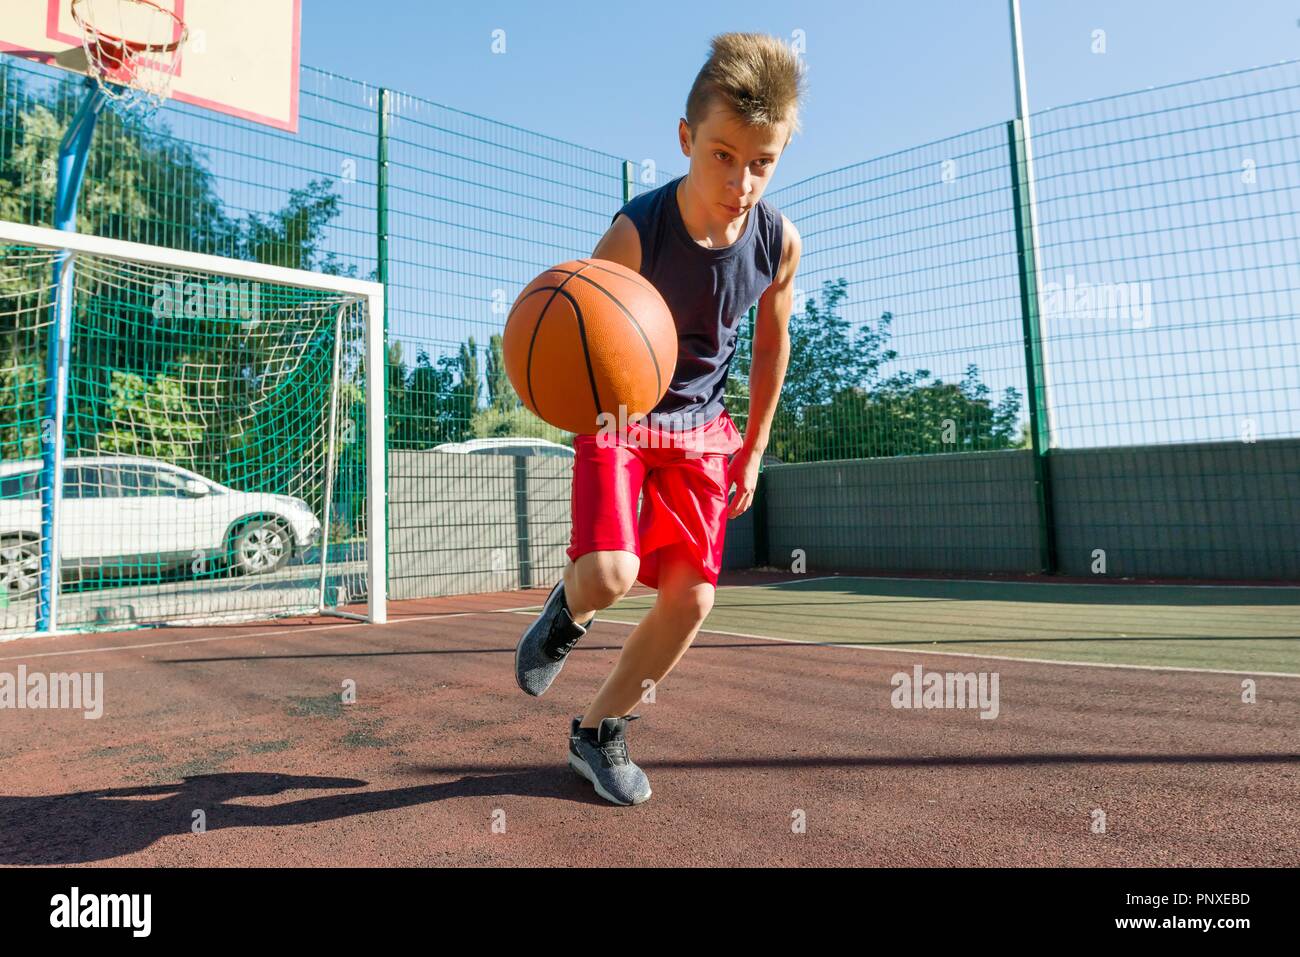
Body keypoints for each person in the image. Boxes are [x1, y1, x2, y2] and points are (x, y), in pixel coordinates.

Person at [514, 31, 805, 806]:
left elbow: (772, 344)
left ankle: (600, 730)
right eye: (722, 155)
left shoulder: (778, 243)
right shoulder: (636, 231)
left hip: (704, 427)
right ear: (686, 138)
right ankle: (568, 608)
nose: (741, 179)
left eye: (761, 162)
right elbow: (582, 336)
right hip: (621, 414)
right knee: (610, 573)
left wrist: (753, 448)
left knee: (692, 597)